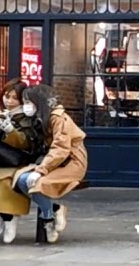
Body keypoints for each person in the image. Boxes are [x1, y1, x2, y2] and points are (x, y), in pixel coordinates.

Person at [11, 84, 87, 244]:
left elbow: (61, 148)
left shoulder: (58, 118)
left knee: (36, 183)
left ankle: (48, 220)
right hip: (53, 162)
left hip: (71, 162)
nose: (26, 107)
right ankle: (52, 211)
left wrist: (41, 170)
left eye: (28, 102)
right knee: (22, 180)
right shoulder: (39, 119)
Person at [0, 79, 44, 244]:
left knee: (6, 184)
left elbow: (27, 142)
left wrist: (10, 130)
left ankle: (9, 220)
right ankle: (3, 215)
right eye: (7, 96)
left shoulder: (28, 117)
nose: (10, 101)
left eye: (14, 98)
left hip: (18, 161)